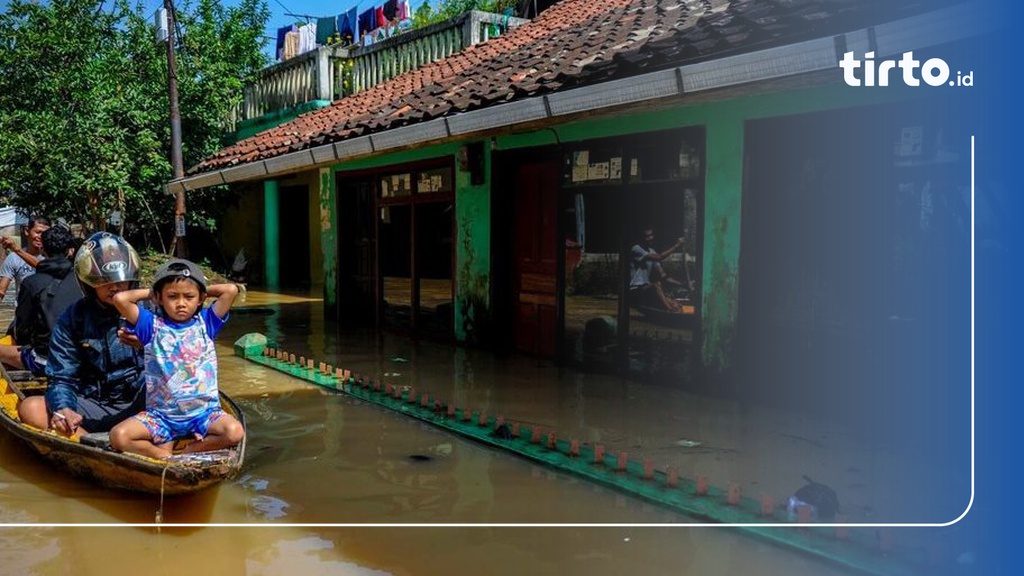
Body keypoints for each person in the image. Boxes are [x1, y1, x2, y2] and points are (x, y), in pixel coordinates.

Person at [108, 258, 244, 459]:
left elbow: (230, 290)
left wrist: (196, 287)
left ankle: (190, 451)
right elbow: (120, 299)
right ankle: (165, 458)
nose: (181, 304)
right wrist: (154, 292)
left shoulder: (207, 323)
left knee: (234, 432)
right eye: (172, 296)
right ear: (159, 299)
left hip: (204, 414)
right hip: (162, 417)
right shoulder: (150, 326)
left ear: (200, 299)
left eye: (189, 297)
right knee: (118, 436)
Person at [17, 232, 146, 437]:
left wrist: (151, 344)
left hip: (145, 403)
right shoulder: (72, 319)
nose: (115, 287)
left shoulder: (151, 309)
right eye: (104, 281)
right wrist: (64, 408)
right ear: (89, 283)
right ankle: (90, 442)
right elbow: (60, 377)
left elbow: (184, 359)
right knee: (32, 408)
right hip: (95, 404)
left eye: (121, 281)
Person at [0, 226, 83, 374]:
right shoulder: (84, 282)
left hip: (46, 360)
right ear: (69, 250)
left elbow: (22, 332)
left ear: (43, 249)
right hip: (82, 358)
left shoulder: (32, 282)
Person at [628, 227, 688, 312]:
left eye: (651, 235)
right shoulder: (636, 248)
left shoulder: (652, 251)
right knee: (657, 285)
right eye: (647, 236)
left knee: (673, 301)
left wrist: (683, 284)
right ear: (641, 238)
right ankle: (669, 310)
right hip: (635, 290)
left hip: (646, 289)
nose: (650, 238)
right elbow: (659, 257)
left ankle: (672, 309)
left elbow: (664, 276)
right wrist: (677, 246)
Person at [0, 214, 51, 304]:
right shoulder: (13, 258)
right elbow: (1, 291)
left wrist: (17, 249)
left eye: (45, 234)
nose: (41, 237)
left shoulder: (51, 258)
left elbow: (43, 266)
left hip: (46, 313)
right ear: (27, 231)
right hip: (23, 313)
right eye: (38, 232)